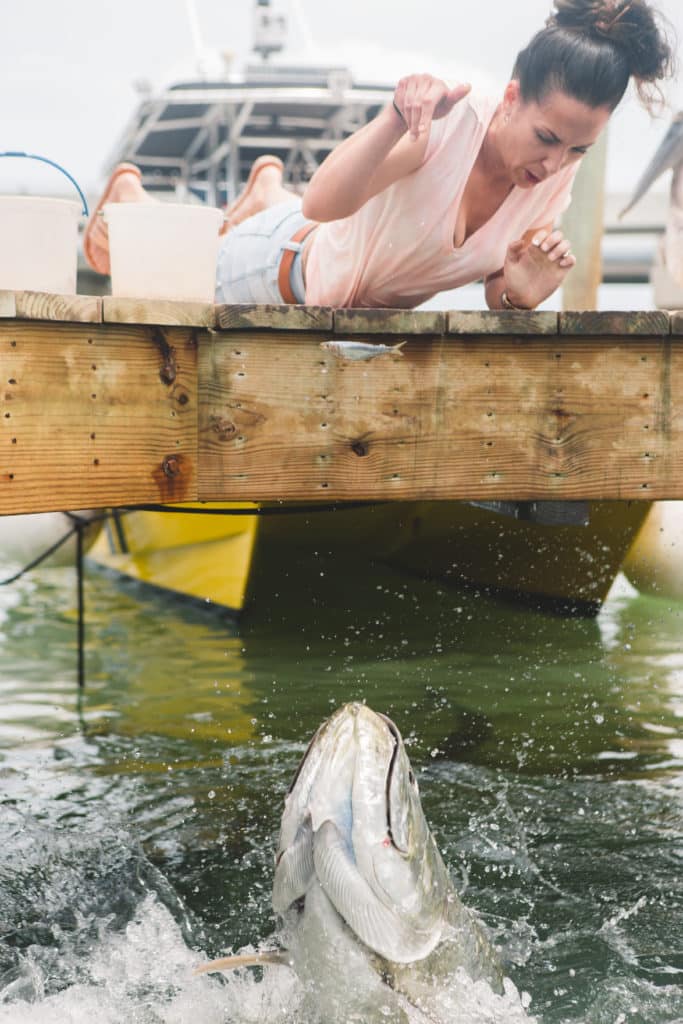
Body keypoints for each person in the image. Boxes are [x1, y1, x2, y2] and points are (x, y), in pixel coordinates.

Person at [83, 0, 676, 311]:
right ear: (511, 99)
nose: (554, 164)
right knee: (162, 280)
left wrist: (523, 290)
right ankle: (131, 198)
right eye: (546, 139)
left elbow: (500, 289)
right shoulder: (445, 125)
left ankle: (266, 194)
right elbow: (320, 203)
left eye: (578, 149)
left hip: (342, 286)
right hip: (278, 269)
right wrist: (395, 117)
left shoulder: (555, 174)